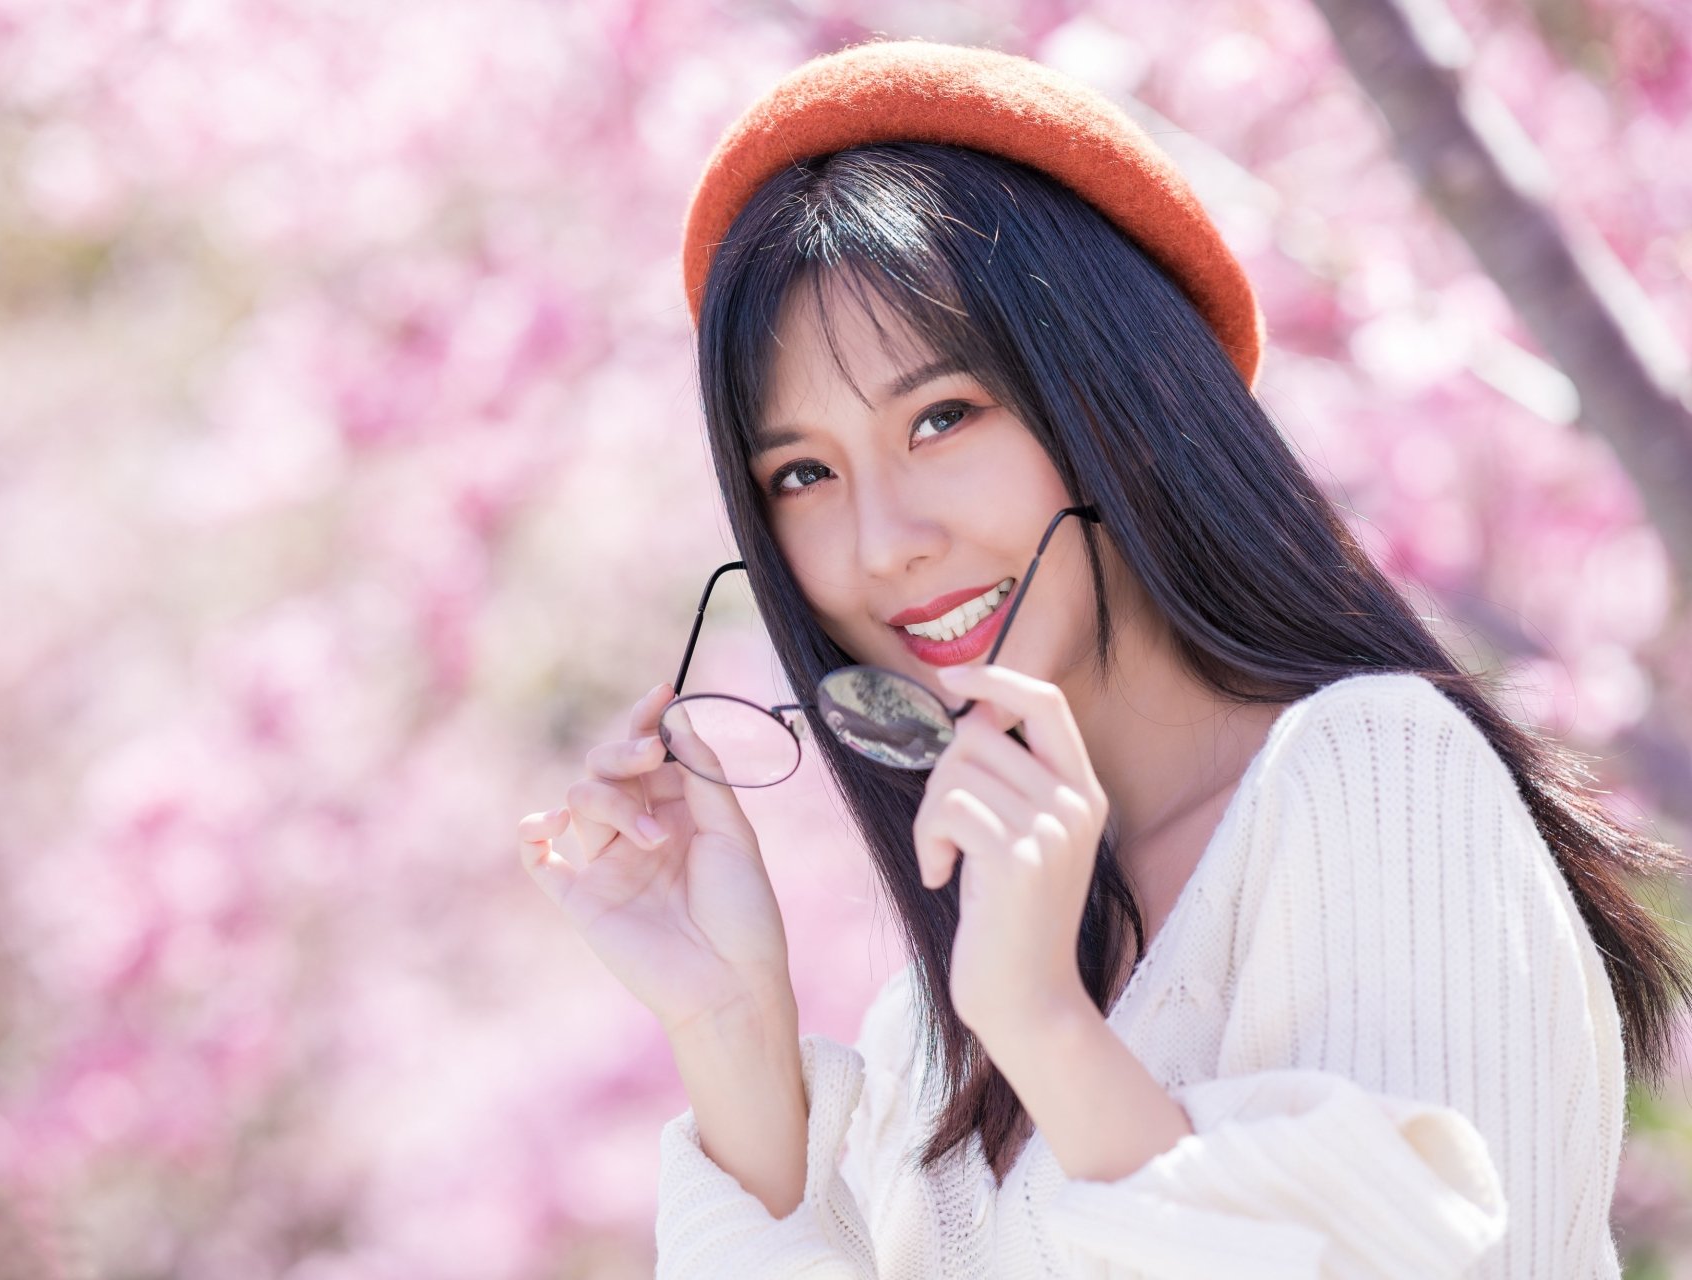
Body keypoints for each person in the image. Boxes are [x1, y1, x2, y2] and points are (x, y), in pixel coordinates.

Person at [515, 38, 1691, 1277]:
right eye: (801, 473)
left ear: (1119, 399)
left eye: (942, 417)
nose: (882, 543)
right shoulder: (936, 1030)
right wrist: (729, 1022)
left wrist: (1048, 1029)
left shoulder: (1373, 777)